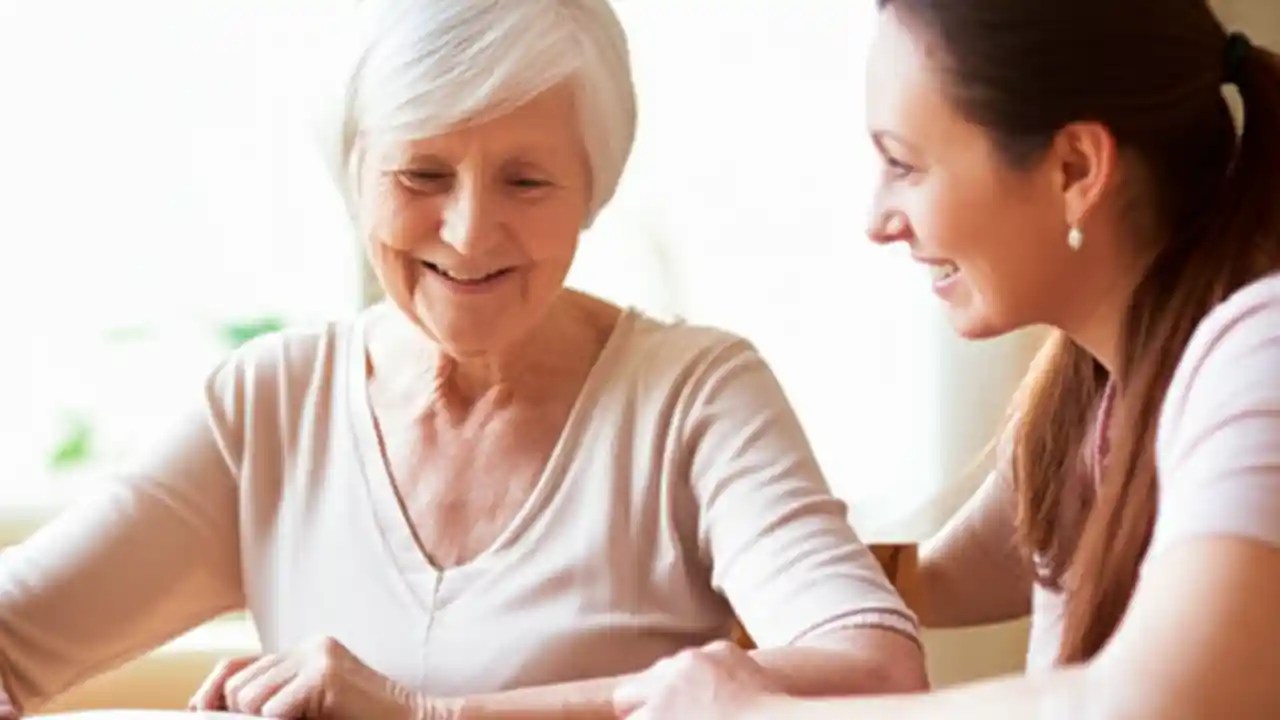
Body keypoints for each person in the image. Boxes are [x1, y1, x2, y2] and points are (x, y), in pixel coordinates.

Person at [0, 1, 927, 719]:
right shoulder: (272, 406)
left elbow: (874, 669)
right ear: (354, 174)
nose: (470, 231)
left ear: (592, 189)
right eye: (421, 174)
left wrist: (427, 713)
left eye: (526, 180)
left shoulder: (691, 397)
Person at [615, 0, 1280, 718]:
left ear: (1074, 168)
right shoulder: (1098, 392)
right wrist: (741, 570)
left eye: (904, 164)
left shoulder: (1261, 349)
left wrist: (756, 713)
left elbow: (1151, 701)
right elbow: (963, 571)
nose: (878, 221)